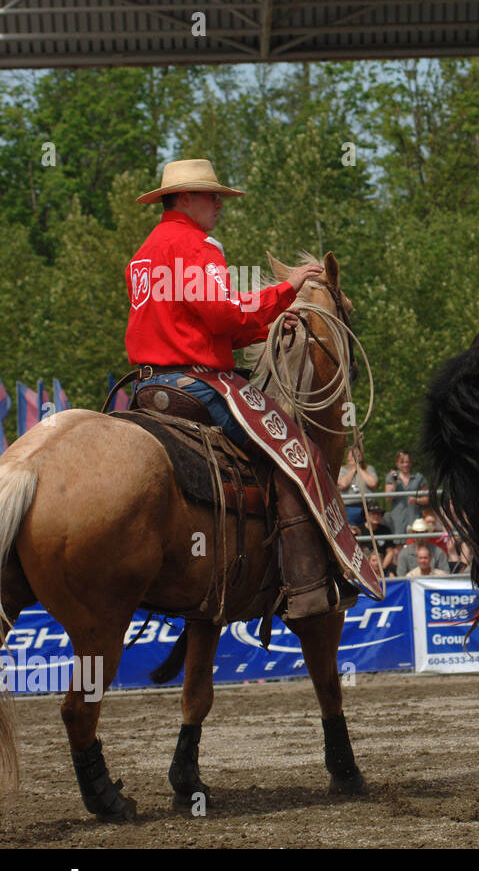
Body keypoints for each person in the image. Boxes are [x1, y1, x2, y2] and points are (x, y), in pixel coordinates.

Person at [125, 158, 353, 619]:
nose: (219, 206)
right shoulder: (197, 246)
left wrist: (269, 320)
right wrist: (286, 290)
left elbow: (200, 324)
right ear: (185, 198)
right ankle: (306, 584)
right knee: (297, 454)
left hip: (147, 386)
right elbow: (224, 315)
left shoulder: (146, 252)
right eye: (213, 197)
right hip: (197, 384)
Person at [385, 450, 428, 539]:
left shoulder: (419, 477)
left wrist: (417, 500)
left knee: (415, 542)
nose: (405, 464)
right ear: (397, 463)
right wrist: (394, 483)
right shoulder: (391, 477)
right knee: (398, 545)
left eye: (407, 462)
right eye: (402, 462)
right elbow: (388, 500)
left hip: (415, 517)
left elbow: (427, 499)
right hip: (398, 518)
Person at [337, 444, 379, 526]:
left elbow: (373, 483)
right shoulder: (342, 470)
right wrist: (353, 470)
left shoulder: (368, 468)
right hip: (349, 507)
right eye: (353, 455)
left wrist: (359, 468)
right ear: (347, 458)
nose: (355, 457)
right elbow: (342, 485)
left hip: (368, 507)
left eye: (358, 455)